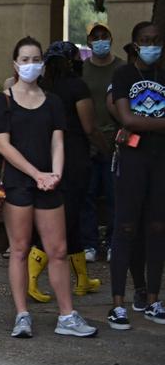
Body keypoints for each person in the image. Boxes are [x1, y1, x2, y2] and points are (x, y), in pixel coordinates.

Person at [0, 36, 97, 338]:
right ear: (15, 64)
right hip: (19, 184)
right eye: (25, 60)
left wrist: (55, 174)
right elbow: (2, 146)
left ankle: (67, 315)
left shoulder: (53, 101)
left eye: (36, 59)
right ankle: (22, 314)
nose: (31, 65)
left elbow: (57, 141)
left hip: (49, 184)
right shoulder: (3, 101)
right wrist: (36, 173)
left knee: (58, 250)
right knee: (20, 249)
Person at [106, 21, 165, 329]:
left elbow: (134, 120)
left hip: (160, 161)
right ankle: (117, 303)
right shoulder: (124, 75)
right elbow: (126, 117)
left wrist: (140, 122)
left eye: (156, 40)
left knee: (157, 227)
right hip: (132, 159)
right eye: (145, 40)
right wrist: (145, 123)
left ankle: (154, 299)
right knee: (125, 227)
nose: (151, 44)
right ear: (135, 44)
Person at [39, 41, 104, 299]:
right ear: (71, 61)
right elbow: (89, 126)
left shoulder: (44, 88)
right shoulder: (77, 86)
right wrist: (105, 147)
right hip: (75, 159)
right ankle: (33, 279)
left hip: (47, 159)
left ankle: (82, 279)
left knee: (70, 218)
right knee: (68, 219)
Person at [81, 23, 126, 261]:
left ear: (111, 38)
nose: (100, 40)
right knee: (86, 195)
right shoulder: (82, 69)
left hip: (115, 143)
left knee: (114, 195)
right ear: (88, 41)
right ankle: (89, 244)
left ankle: (112, 243)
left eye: (104, 36)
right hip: (88, 142)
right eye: (95, 37)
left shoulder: (121, 68)